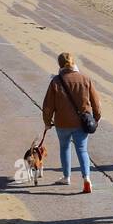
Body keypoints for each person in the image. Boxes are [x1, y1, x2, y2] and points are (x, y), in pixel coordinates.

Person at [41, 51, 101, 193]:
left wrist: (47, 122)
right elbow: (96, 103)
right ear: (74, 62)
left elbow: (48, 106)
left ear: (60, 65)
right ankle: (86, 178)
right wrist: (96, 118)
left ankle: (66, 177)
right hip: (81, 123)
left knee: (64, 148)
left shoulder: (56, 81)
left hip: (62, 122)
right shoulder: (85, 79)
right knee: (82, 150)